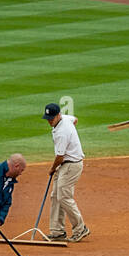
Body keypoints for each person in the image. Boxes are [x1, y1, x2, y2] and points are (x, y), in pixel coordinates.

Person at [43, 102, 89, 242]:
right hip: (65, 164)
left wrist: (52, 169)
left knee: (64, 197)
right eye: (48, 118)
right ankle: (57, 231)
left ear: (58, 115)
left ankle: (81, 229)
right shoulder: (66, 119)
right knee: (55, 196)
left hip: (71, 165)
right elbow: (75, 119)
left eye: (52, 118)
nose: (50, 121)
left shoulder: (62, 133)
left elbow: (60, 156)